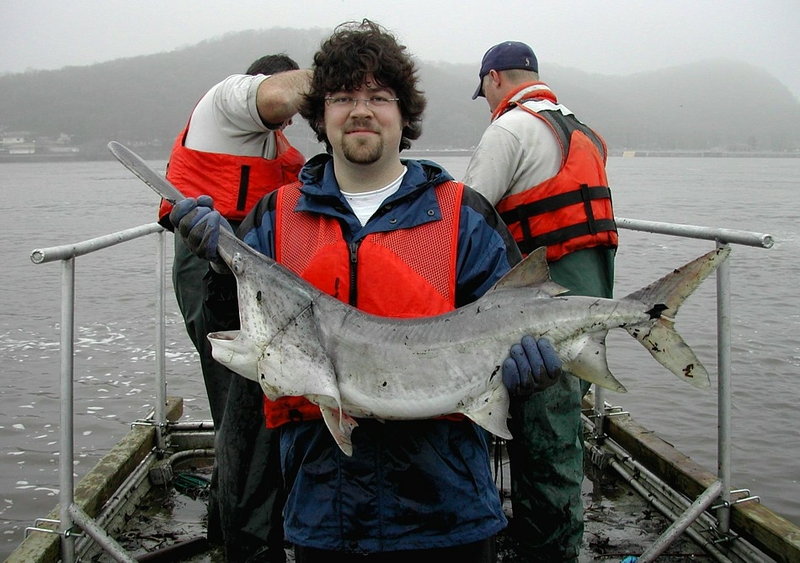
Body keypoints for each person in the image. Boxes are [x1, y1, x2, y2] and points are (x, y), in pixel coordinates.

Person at [170, 20, 562, 563]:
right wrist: (211, 262)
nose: (361, 110)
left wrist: (533, 377)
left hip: (450, 509)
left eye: (379, 97)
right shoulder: (274, 218)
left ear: (404, 117)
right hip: (322, 512)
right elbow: (222, 327)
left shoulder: (464, 215)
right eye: (343, 97)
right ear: (319, 116)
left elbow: (517, 320)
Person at [464, 41, 618, 563]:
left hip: (531, 318)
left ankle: (540, 550)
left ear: (493, 80)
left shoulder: (507, 130)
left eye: (483, 91)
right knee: (560, 440)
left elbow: (465, 218)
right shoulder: (588, 134)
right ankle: (558, 544)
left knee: (537, 436)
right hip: (586, 311)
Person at [158, 55, 311, 562]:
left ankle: (240, 524)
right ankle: (240, 540)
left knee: (252, 404)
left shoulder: (274, 146)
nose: (288, 121)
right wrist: (348, 84)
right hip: (208, 264)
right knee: (238, 407)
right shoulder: (229, 100)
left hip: (252, 272)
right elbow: (276, 96)